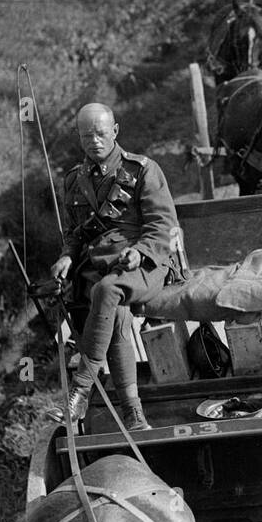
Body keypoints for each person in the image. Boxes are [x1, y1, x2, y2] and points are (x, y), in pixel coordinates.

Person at [48, 104, 180, 431]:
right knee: (112, 308)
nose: (95, 141)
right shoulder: (74, 181)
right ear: (79, 138)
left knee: (107, 291)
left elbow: (162, 225)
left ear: (115, 131)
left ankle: (80, 391)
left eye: (101, 134)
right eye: (87, 135)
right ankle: (133, 414)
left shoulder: (144, 170)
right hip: (102, 265)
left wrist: (140, 252)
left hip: (146, 265)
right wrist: (67, 255)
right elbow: (75, 232)